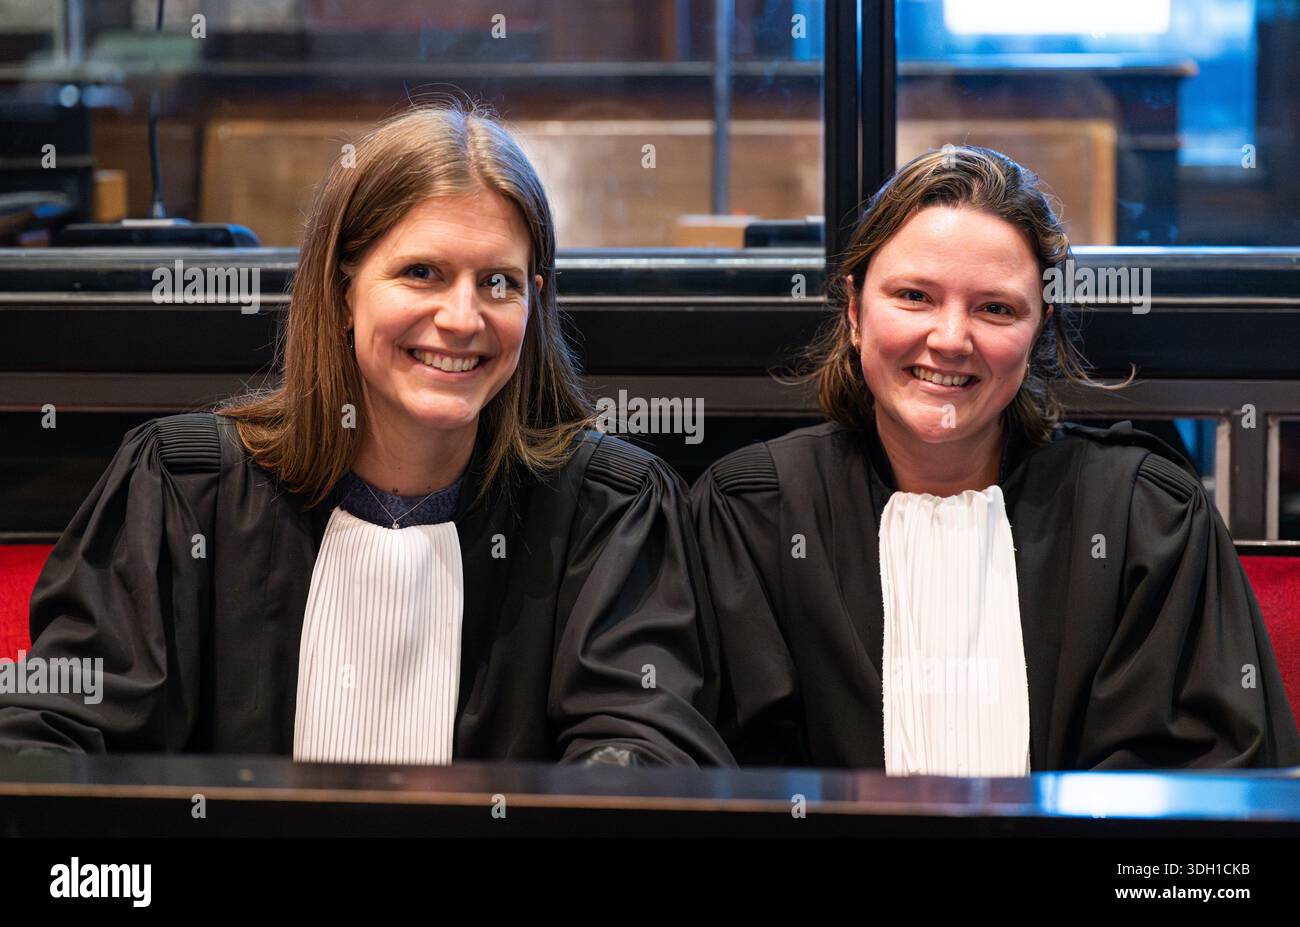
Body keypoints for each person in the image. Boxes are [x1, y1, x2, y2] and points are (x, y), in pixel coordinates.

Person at [0, 103, 731, 768]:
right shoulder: (180, 490)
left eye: (498, 282)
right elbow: (53, 734)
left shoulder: (609, 511)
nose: (462, 317)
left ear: (534, 302)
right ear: (343, 286)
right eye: (422, 272)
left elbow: (646, 748)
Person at [692, 145, 1300, 773]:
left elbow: (1214, 805)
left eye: (996, 308)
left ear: (1040, 327)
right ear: (854, 311)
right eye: (914, 296)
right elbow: (720, 784)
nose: (951, 339)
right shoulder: (749, 515)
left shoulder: (1146, 520)